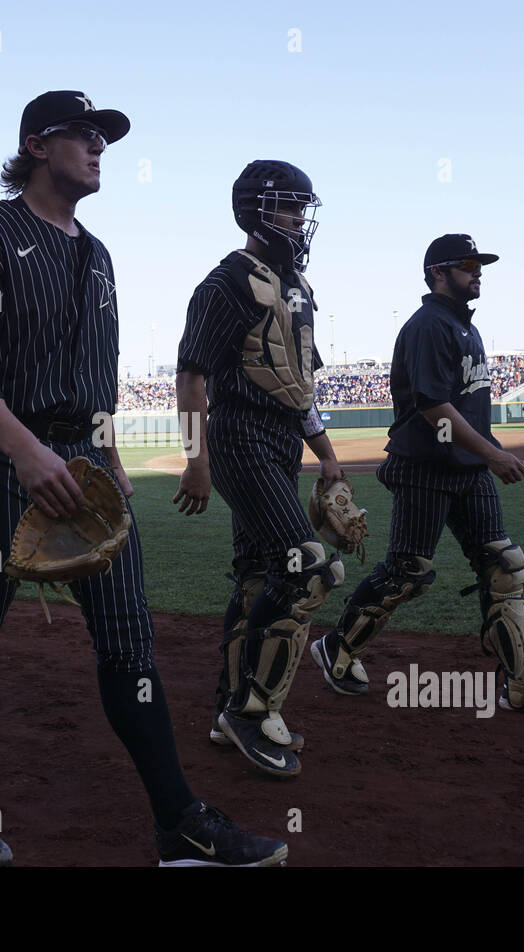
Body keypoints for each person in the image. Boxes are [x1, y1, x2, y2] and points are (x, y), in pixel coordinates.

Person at [0, 91, 286, 866]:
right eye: (82, 135)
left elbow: (95, 373)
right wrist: (23, 450)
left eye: (103, 137)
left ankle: (177, 819)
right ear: (36, 146)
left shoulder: (99, 253)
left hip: (84, 461)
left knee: (129, 642)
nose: (98, 147)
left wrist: (108, 450)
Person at [308, 234, 524, 716]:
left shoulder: (464, 327)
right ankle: (338, 647)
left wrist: (485, 456)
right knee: (406, 574)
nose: (478, 272)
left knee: (502, 565)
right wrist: (495, 455)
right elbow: (433, 407)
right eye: (467, 265)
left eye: (480, 265)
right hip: (425, 469)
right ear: (437, 272)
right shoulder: (428, 326)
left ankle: (522, 683)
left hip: (469, 469)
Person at [173, 160, 346, 779]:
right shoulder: (225, 284)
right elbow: (190, 374)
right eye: (290, 207)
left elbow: (298, 383)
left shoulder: (295, 287)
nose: (301, 220)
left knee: (256, 576)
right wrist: (197, 459)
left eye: (303, 209)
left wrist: (326, 456)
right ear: (256, 210)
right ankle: (252, 711)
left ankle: (228, 712)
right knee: (310, 568)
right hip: (241, 442)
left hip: (281, 447)